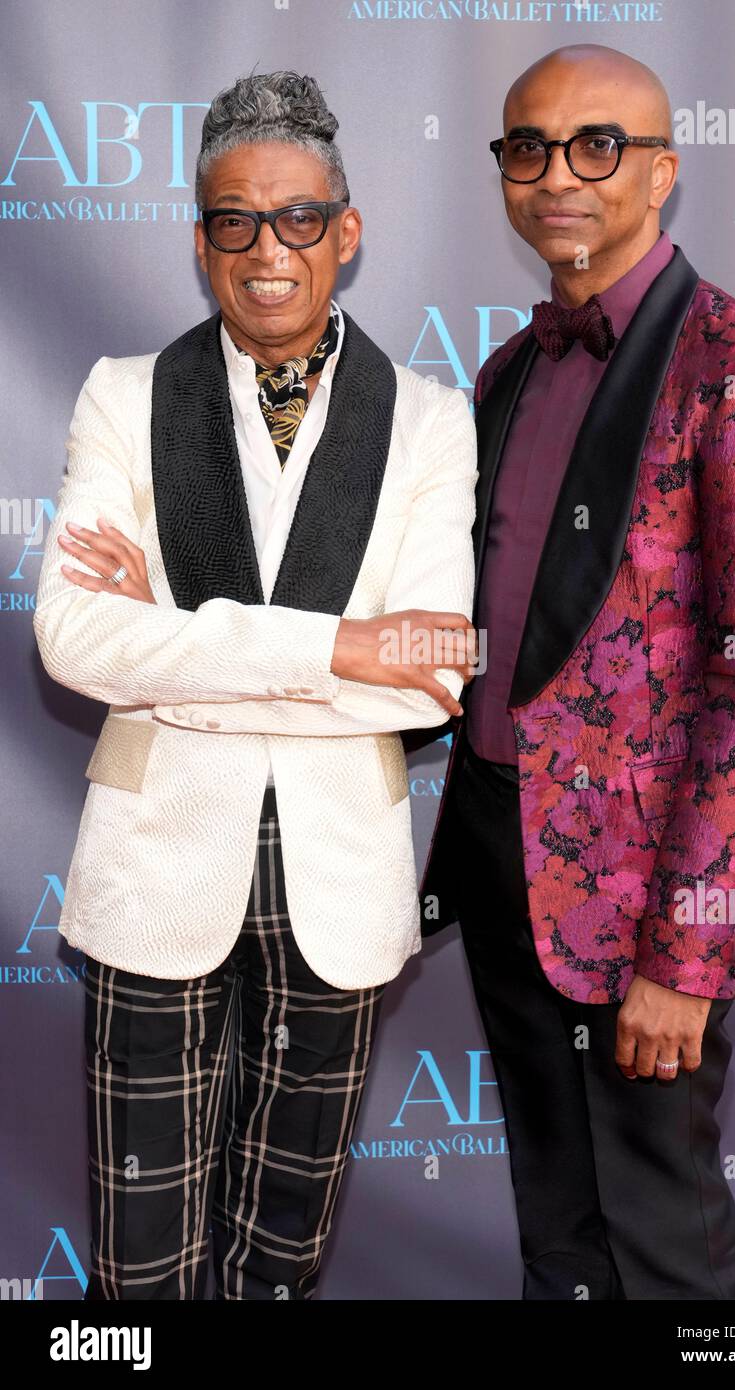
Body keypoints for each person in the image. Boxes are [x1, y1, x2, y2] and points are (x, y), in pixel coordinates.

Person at [33, 70, 476, 1300]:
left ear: (345, 230)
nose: (266, 250)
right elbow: (73, 640)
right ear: (201, 239)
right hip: (153, 870)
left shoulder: (431, 418)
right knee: (144, 1258)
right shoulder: (126, 396)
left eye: (296, 219)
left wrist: (171, 635)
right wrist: (338, 648)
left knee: (280, 1256)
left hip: (342, 886)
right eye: (235, 219)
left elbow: (432, 680)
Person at [421, 44, 735, 1300]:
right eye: (528, 147)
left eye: (596, 145)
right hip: (504, 858)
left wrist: (685, 956)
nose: (559, 175)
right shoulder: (509, 370)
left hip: (651, 899)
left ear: (659, 171)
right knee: (558, 1221)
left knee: (661, 1238)